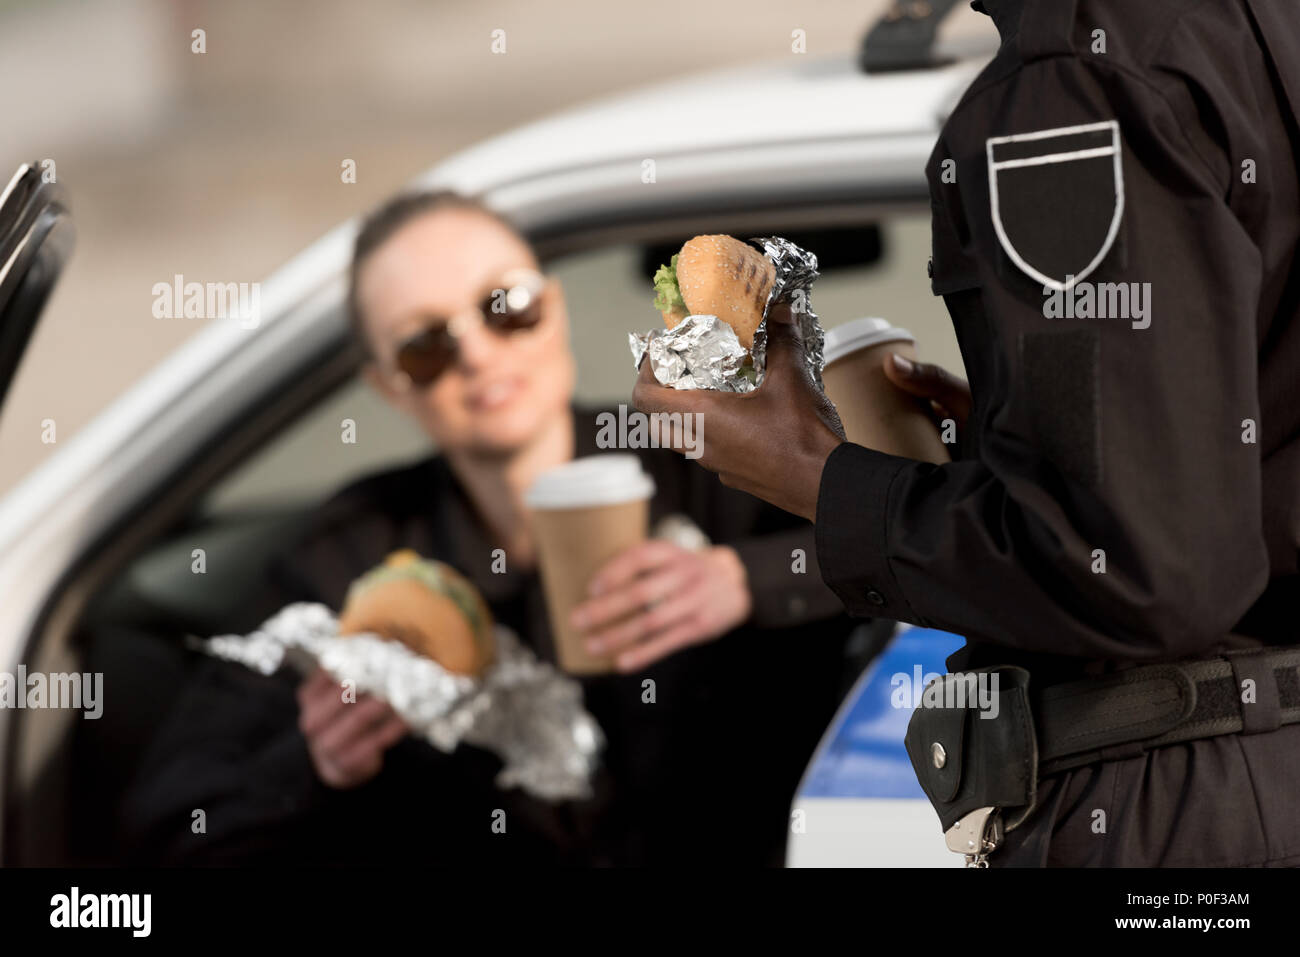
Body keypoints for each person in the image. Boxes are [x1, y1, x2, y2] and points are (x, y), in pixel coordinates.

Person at [634, 0, 1300, 866]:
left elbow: (1142, 568)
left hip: (1183, 801)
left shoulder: (1077, 78)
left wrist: (817, 476)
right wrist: (1018, 441)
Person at [120, 190, 863, 866]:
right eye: (425, 345)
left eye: (506, 306)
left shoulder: (708, 459)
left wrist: (745, 581)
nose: (477, 351)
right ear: (388, 386)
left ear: (555, 308)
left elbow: (908, 551)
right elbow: (172, 816)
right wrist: (315, 763)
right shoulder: (356, 557)